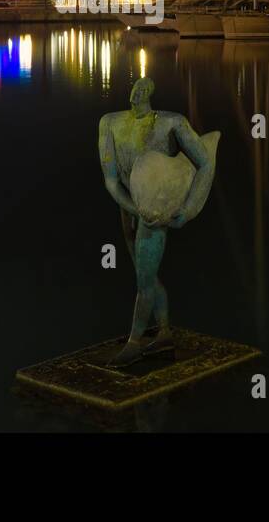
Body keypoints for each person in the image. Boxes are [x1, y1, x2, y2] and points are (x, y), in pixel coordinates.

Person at [97, 76, 215, 367]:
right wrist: (134, 209)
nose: (138, 90)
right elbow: (111, 181)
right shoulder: (110, 123)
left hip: (155, 214)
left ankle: (134, 343)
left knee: (144, 280)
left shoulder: (171, 122)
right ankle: (164, 331)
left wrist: (187, 210)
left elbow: (205, 162)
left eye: (144, 87)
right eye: (135, 86)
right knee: (144, 276)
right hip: (131, 209)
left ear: (151, 92)